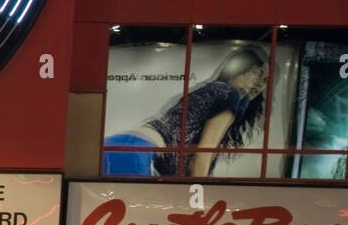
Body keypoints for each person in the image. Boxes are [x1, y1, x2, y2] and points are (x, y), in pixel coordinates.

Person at [102, 46, 269, 176]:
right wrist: (199, 199)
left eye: (265, 79)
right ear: (237, 70)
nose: (259, 82)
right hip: (136, 153)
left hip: (120, 146)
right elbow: (202, 155)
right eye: (256, 72)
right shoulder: (230, 95)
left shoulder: (213, 91)